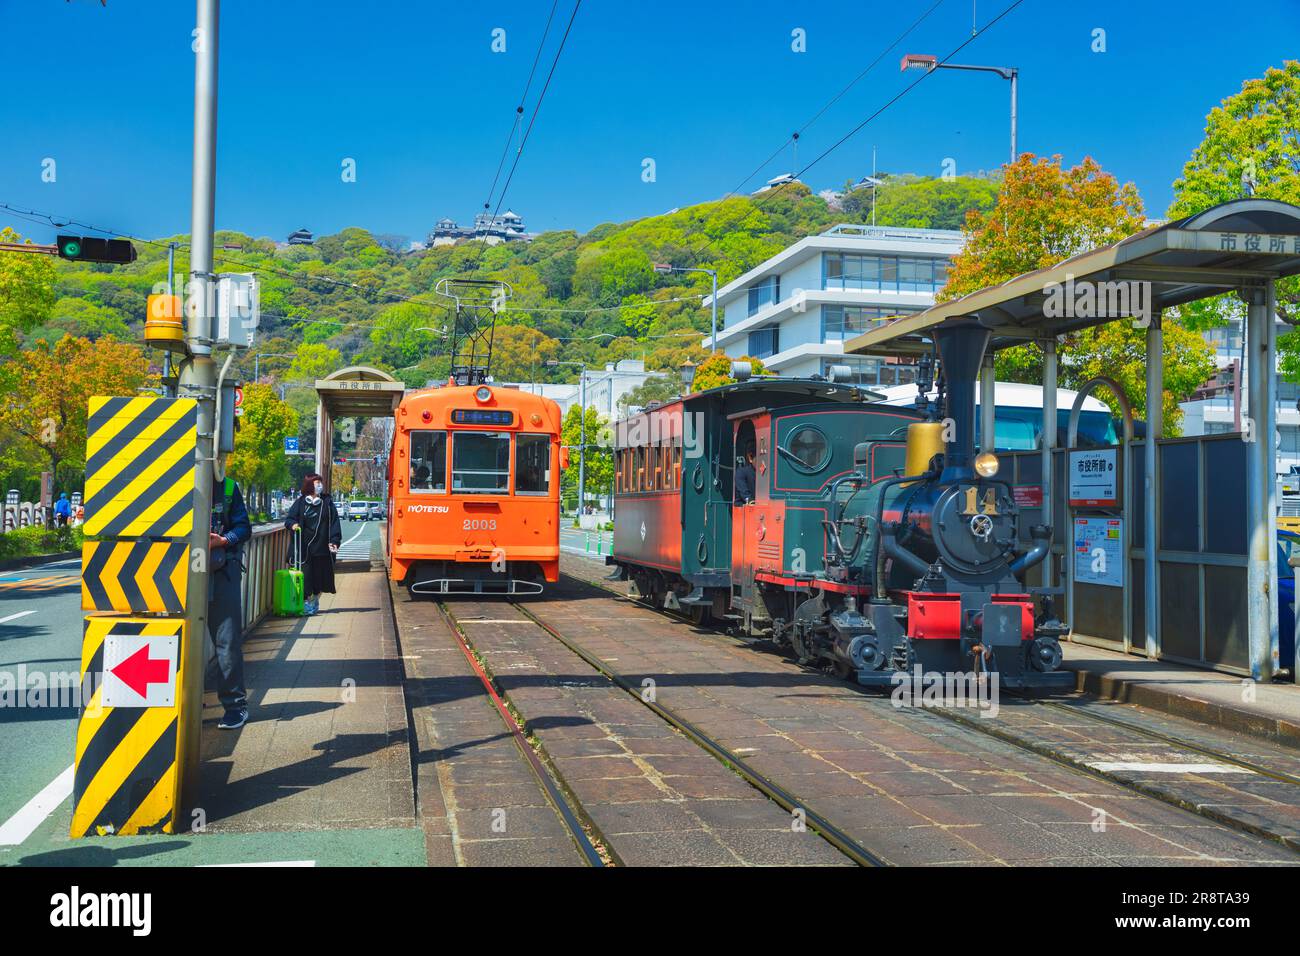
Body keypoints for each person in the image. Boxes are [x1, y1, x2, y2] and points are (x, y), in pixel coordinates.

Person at [209, 474, 252, 729]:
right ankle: (177, 702)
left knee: (226, 642)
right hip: (175, 572)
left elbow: (243, 528)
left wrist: (223, 541)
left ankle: (235, 706)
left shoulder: (226, 486)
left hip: (221, 572)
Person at [283, 473, 341, 616]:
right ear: (309, 485)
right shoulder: (300, 502)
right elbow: (289, 519)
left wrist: (334, 541)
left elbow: (335, 523)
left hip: (321, 547)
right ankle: (306, 602)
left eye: (320, 482)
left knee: (319, 578)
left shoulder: (327, 503)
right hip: (303, 548)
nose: (320, 485)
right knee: (306, 576)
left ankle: (314, 601)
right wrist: (293, 525)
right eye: (316, 483)